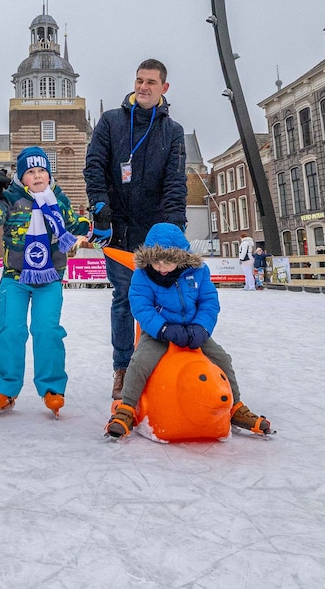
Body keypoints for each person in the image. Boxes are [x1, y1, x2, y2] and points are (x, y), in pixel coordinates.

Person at [83, 59, 187, 401]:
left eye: (151, 82)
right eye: (140, 80)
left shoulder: (172, 132)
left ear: (164, 88)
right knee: (125, 298)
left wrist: (173, 225)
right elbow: (94, 166)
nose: (144, 87)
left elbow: (175, 180)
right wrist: (100, 208)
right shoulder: (111, 122)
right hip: (119, 227)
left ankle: (161, 367)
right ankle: (123, 368)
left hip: (155, 229)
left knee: (163, 301)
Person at [105, 223, 271, 438]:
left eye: (168, 261)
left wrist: (202, 327)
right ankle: (126, 408)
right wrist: (163, 328)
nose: (161, 267)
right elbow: (141, 306)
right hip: (159, 332)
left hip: (194, 329)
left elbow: (208, 301)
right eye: (156, 261)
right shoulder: (142, 275)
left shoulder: (198, 272)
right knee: (140, 361)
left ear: (181, 257)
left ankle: (235, 406)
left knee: (222, 358)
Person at [0, 147, 89, 418]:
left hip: (50, 277)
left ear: (49, 174)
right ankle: (4, 389)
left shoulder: (58, 199)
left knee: (47, 330)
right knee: (9, 329)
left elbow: (74, 224)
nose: (37, 176)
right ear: (21, 177)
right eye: (30, 171)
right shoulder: (11, 198)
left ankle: (52, 389)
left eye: (42, 171)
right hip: (15, 278)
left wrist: (89, 223)